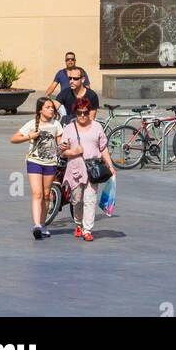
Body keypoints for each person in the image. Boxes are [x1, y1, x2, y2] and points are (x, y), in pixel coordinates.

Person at [60, 97, 116, 243]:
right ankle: (78, 224)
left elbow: (103, 148)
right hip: (75, 169)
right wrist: (73, 152)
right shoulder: (69, 128)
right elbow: (62, 151)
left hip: (93, 168)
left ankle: (87, 230)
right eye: (79, 113)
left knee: (90, 199)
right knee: (77, 199)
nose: (83, 116)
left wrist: (110, 165)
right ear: (75, 113)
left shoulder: (97, 127)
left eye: (85, 112)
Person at [11, 97, 66, 239]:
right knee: (37, 193)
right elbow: (14, 138)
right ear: (40, 110)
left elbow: (60, 145)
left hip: (50, 163)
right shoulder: (31, 124)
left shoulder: (57, 125)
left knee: (47, 195)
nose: (51, 109)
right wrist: (29, 136)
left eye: (52, 107)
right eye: (48, 107)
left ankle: (43, 224)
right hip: (34, 161)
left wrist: (64, 147)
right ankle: (36, 225)